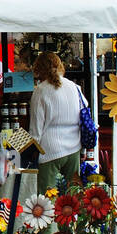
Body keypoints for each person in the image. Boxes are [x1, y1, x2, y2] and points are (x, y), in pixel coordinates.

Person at [29, 51, 86, 192]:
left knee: (47, 200)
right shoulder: (74, 87)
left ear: (39, 69)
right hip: (74, 147)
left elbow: (36, 130)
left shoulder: (40, 91)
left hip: (49, 150)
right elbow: (84, 111)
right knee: (73, 197)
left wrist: (29, 150)